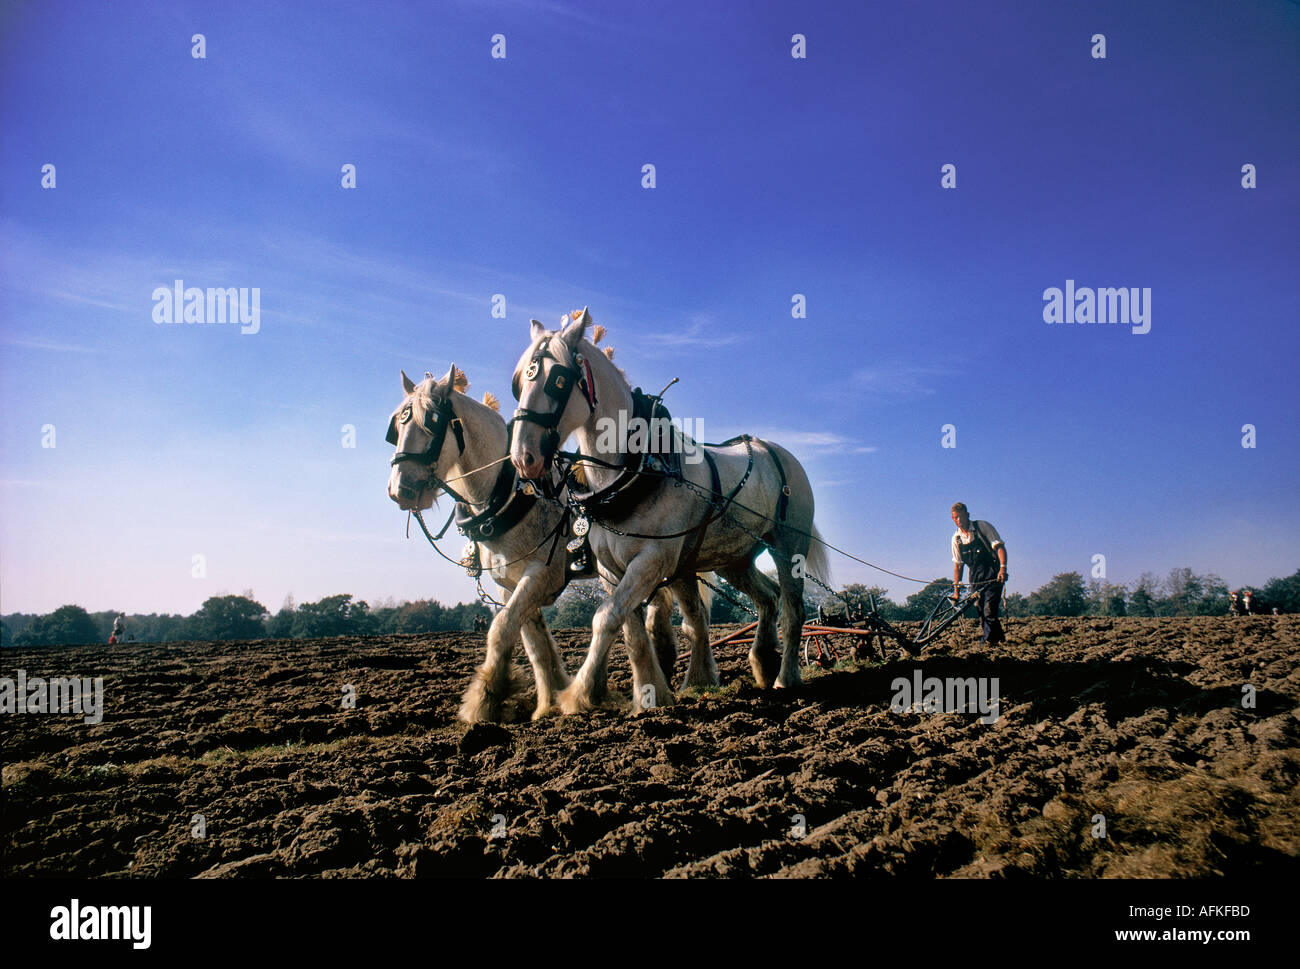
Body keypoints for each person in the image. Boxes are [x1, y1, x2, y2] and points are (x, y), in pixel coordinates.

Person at [950, 503, 1008, 645]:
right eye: (955, 518)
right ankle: (999, 639)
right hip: (975, 577)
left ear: (967, 515)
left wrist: (1003, 569)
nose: (958, 520)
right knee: (980, 608)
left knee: (989, 608)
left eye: (961, 516)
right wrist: (956, 591)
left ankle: (988, 641)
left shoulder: (982, 527)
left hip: (993, 574)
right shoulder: (956, 539)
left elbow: (1000, 548)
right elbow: (958, 565)